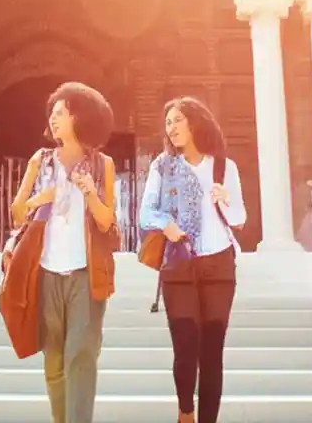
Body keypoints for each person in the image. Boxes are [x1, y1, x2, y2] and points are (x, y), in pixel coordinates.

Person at [9, 82, 118, 423]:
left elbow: (106, 221)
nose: (53, 121)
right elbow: (17, 212)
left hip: (86, 274)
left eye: (60, 113)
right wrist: (40, 198)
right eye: (52, 115)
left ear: (78, 116)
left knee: (81, 355)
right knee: (54, 358)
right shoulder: (40, 161)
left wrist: (89, 192)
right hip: (45, 271)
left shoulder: (103, 165)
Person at [138, 96, 247, 423]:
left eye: (177, 120)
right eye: (167, 123)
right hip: (180, 265)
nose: (171, 128)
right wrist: (166, 226)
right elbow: (145, 213)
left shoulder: (224, 167)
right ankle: (186, 411)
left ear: (195, 122)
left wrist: (225, 200)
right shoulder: (163, 165)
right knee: (185, 347)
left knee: (212, 353)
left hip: (219, 264)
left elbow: (240, 218)